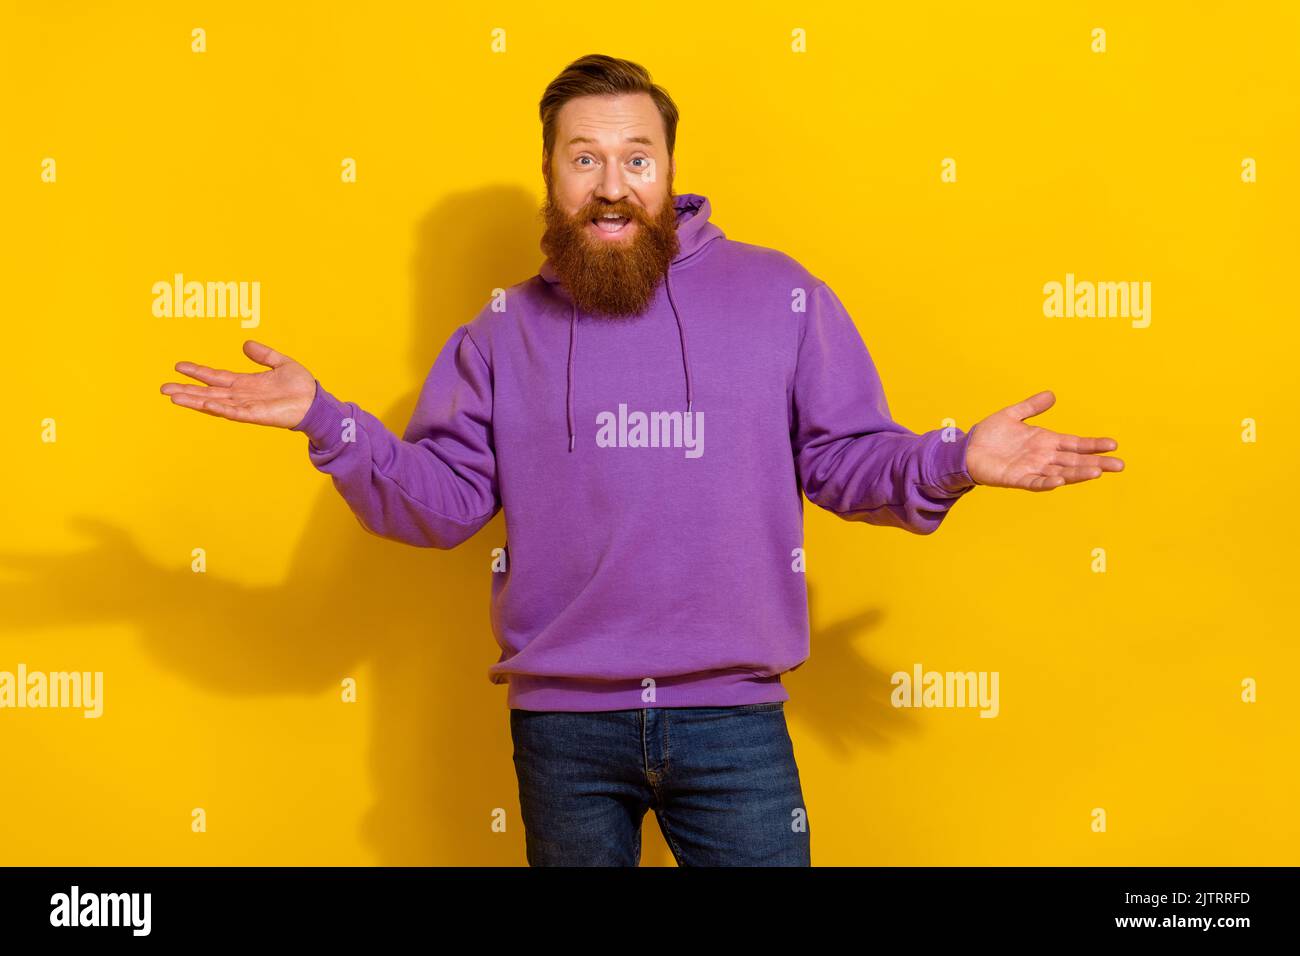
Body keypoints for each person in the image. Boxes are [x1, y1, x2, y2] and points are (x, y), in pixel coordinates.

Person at [160, 54, 1124, 866]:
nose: (611, 183)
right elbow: (444, 502)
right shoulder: (501, 334)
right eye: (585, 158)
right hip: (563, 731)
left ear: (669, 170)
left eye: (635, 157)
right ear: (551, 173)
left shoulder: (778, 297)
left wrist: (954, 457)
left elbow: (846, 463)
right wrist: (328, 422)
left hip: (734, 723)